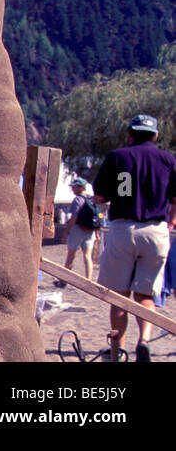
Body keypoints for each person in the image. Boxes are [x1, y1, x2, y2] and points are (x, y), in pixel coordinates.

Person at [92, 114, 176, 362]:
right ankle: (144, 340)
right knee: (145, 295)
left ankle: (117, 352)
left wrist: (119, 194)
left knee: (118, 296)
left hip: (123, 229)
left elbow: (99, 197)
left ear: (130, 133)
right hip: (156, 231)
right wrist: (171, 222)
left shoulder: (117, 157)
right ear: (156, 135)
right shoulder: (168, 159)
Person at [61, 178, 99, 282]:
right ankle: (89, 280)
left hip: (78, 229)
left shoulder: (77, 200)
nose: (73, 189)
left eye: (74, 187)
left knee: (70, 255)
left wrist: (66, 232)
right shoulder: (92, 199)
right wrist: (97, 231)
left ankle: (64, 280)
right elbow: (96, 216)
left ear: (81, 187)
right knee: (87, 255)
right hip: (90, 230)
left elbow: (74, 218)